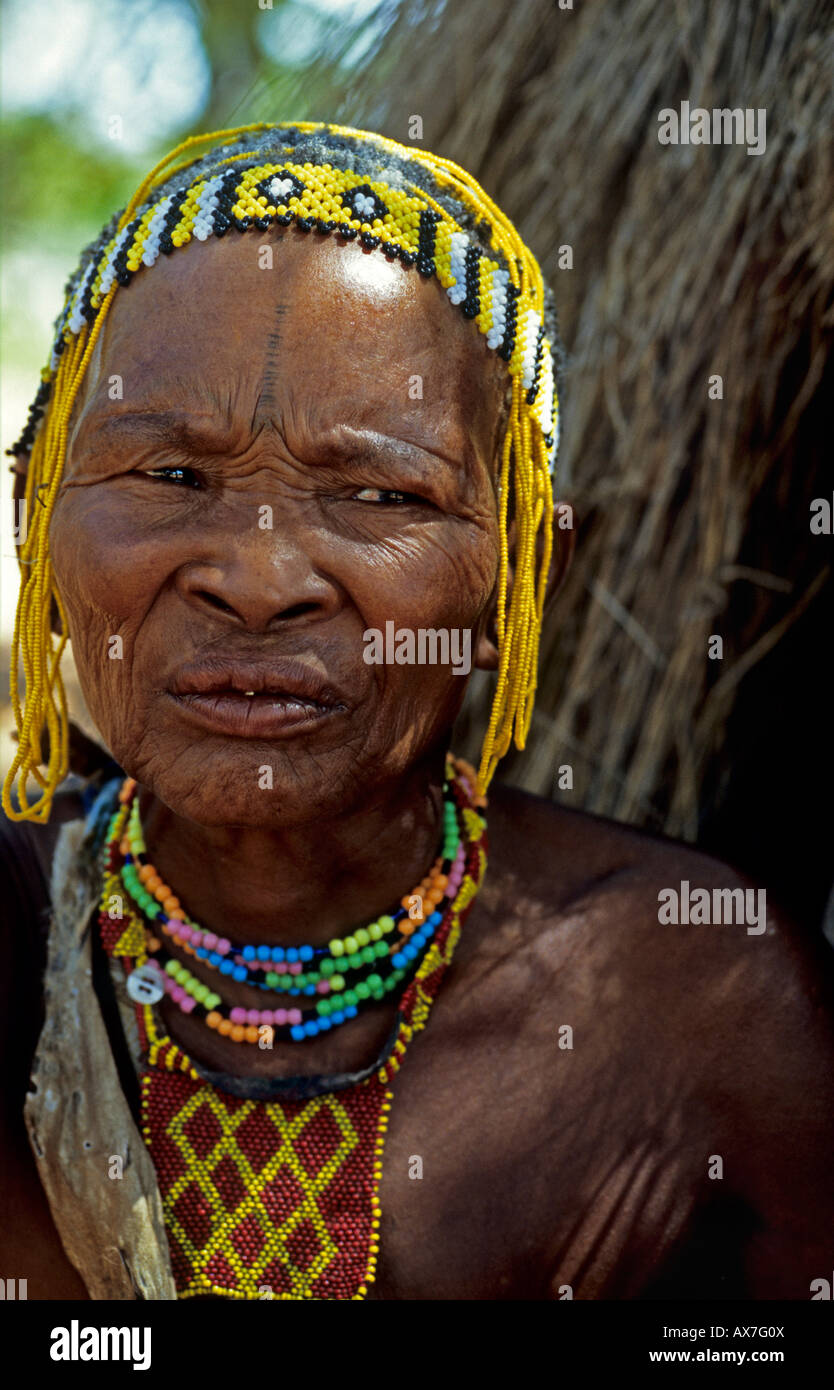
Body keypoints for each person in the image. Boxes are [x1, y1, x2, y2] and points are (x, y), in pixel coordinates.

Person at [1, 121, 832, 1301]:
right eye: (172, 476)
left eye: (380, 493)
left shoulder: (700, 1005)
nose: (256, 576)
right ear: (38, 512)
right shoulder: (11, 941)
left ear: (520, 575)